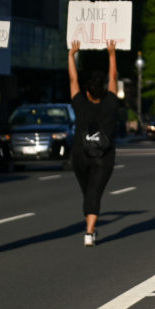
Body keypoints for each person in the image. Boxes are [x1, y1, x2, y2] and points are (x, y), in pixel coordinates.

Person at [68, 39, 119, 247]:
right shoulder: (111, 103)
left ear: (87, 91)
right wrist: (112, 54)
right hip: (103, 156)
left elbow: (72, 79)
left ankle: (90, 224)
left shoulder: (80, 103)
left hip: (80, 154)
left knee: (88, 192)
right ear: (104, 89)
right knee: (94, 192)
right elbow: (114, 76)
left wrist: (71, 55)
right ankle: (89, 232)